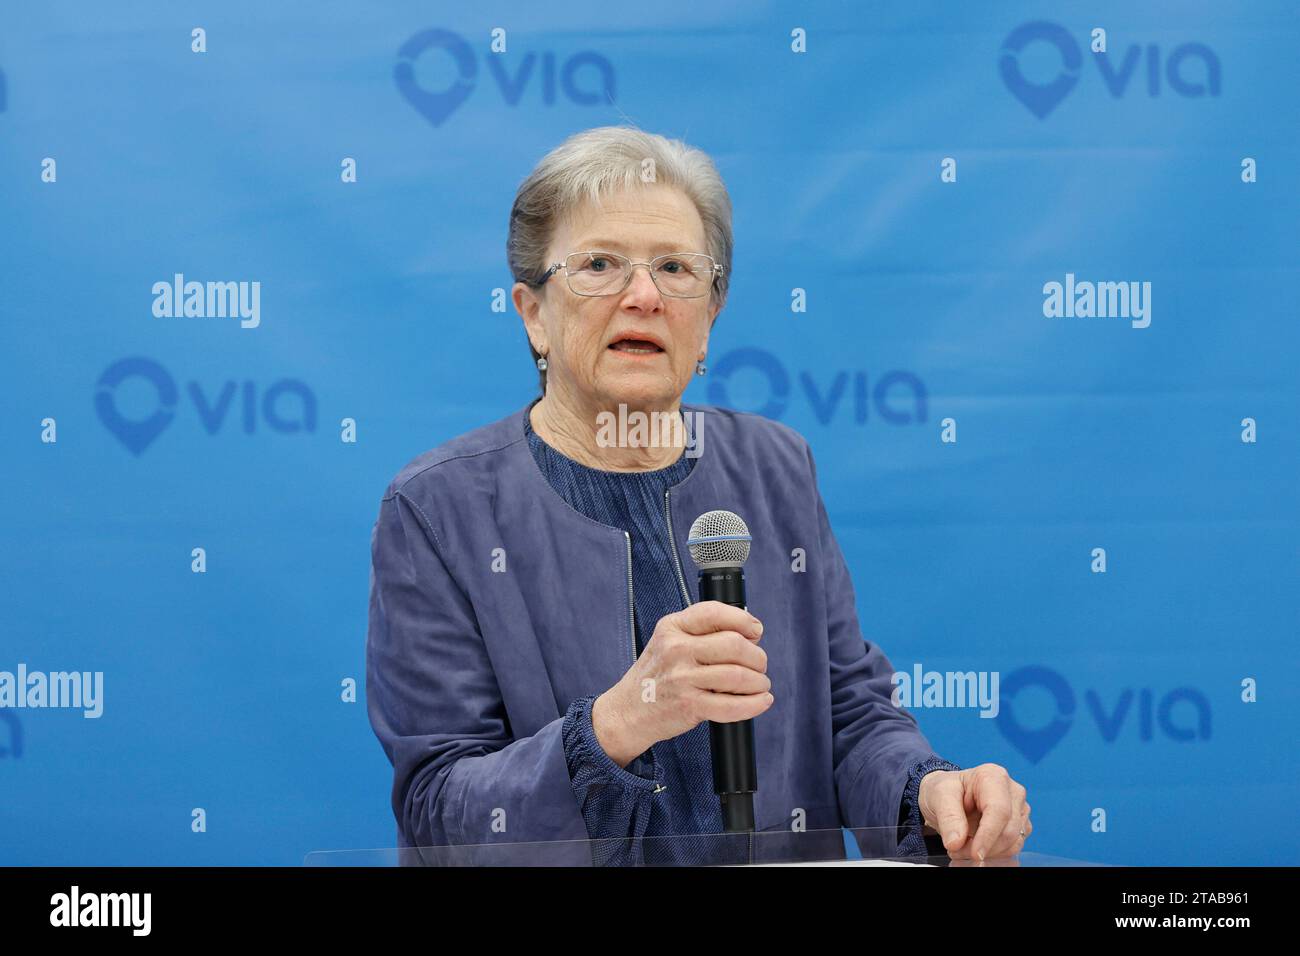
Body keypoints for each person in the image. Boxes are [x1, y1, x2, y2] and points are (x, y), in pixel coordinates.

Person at [366, 125, 1032, 866]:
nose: (644, 296)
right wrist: (617, 724)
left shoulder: (776, 467)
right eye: (599, 265)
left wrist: (928, 791)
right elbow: (438, 811)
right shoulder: (439, 508)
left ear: (710, 317)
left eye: (677, 268)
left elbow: (848, 715)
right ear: (532, 314)